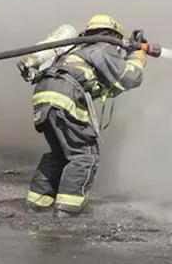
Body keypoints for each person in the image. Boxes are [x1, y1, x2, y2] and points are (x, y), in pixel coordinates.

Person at [25, 14, 146, 216]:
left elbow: (109, 85)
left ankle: (37, 204)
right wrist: (137, 57)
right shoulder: (103, 47)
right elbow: (128, 78)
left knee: (60, 153)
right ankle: (68, 209)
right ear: (114, 35)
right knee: (84, 155)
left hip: (44, 95)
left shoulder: (77, 48)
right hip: (66, 96)